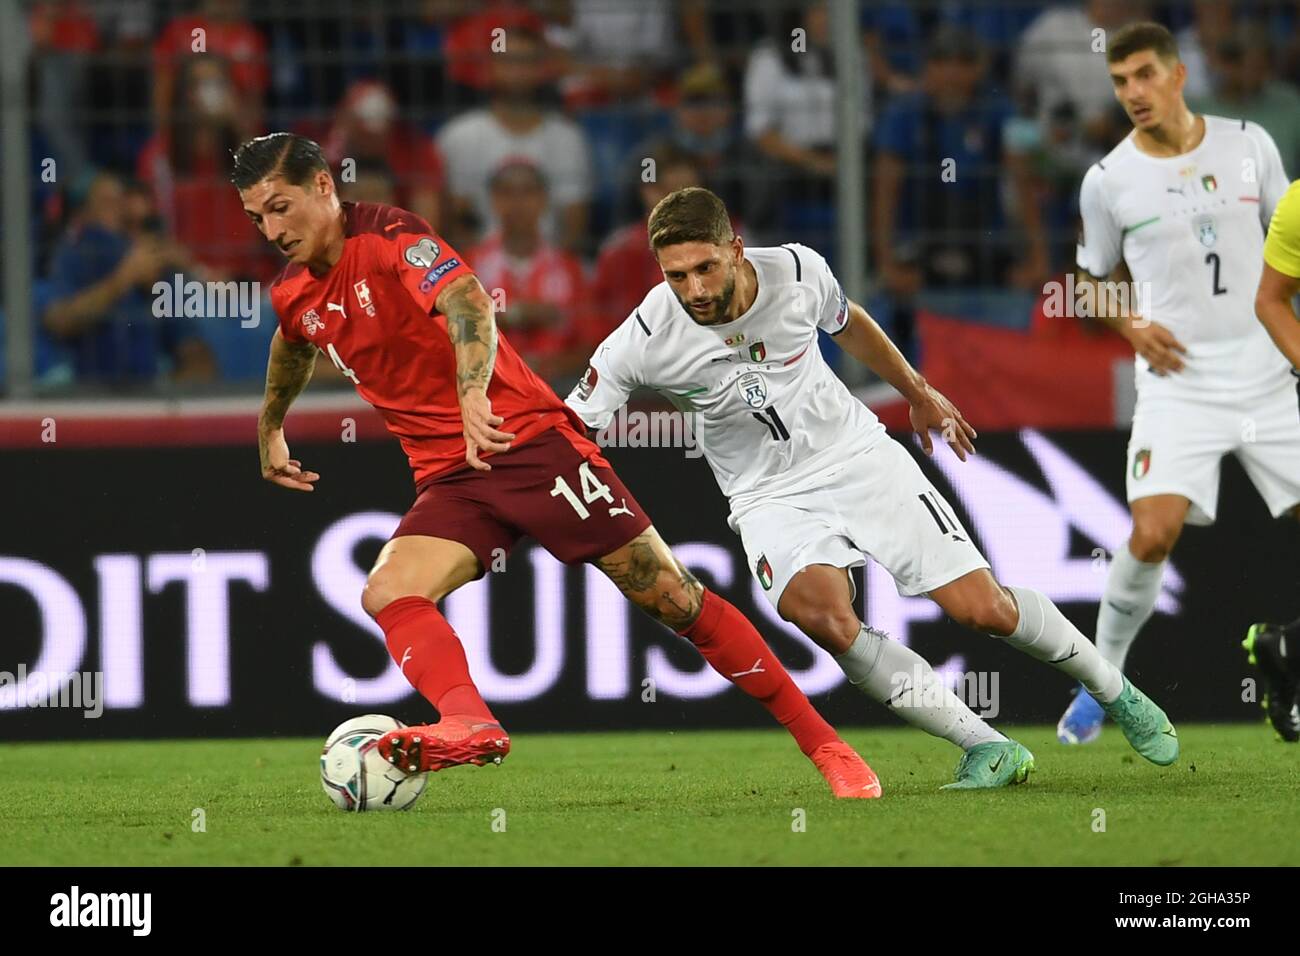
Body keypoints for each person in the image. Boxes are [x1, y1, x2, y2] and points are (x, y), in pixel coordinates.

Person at [233, 132, 880, 798]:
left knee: (674, 598)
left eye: (281, 207)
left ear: (321, 187)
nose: (272, 229)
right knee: (389, 590)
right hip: (451, 476)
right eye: (258, 218)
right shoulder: (294, 293)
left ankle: (829, 747)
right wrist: (271, 424)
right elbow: (294, 341)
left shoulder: (393, 236)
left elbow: (468, 303)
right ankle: (468, 724)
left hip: (526, 444)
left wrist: (473, 391)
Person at [567, 185, 1182, 788]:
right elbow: (574, 430)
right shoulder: (643, 340)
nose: (694, 290)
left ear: (736, 248)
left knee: (984, 611)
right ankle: (987, 747)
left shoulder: (798, 271)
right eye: (677, 276)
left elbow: (849, 323)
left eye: (705, 267)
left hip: (857, 457)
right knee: (824, 620)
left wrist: (918, 393)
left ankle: (1113, 691)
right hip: (765, 495)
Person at [1064, 22, 1300, 745]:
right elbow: (1086, 283)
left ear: (1177, 75)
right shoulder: (1107, 180)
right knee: (1152, 532)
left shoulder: (1248, 144)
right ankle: (1102, 681)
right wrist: (1131, 326)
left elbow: (1288, 251)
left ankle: (1281, 650)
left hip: (1267, 376)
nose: (1131, 92)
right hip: (1179, 385)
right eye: (1119, 81)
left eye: (1142, 75)